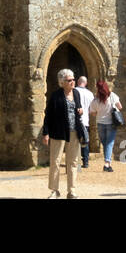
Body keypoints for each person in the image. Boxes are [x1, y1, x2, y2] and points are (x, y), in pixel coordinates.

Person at [41, 68, 86, 198]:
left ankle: (71, 191)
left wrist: (80, 110)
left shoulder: (76, 93)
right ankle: (54, 190)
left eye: (73, 79)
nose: (73, 81)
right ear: (62, 82)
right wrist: (46, 133)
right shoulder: (56, 96)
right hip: (58, 132)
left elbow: (78, 108)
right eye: (69, 80)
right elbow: (48, 115)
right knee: (55, 161)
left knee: (72, 162)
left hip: (74, 132)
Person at [89, 80, 123, 171]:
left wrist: (99, 112)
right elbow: (120, 107)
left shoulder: (95, 100)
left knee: (106, 144)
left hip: (100, 123)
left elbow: (92, 113)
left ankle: (107, 163)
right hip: (111, 123)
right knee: (109, 144)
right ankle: (107, 164)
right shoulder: (112, 96)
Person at [74, 75, 94, 169]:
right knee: (84, 141)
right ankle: (85, 162)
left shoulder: (74, 91)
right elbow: (92, 109)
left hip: (75, 120)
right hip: (85, 120)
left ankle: (75, 161)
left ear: (78, 82)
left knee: (74, 141)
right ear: (86, 83)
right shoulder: (90, 94)